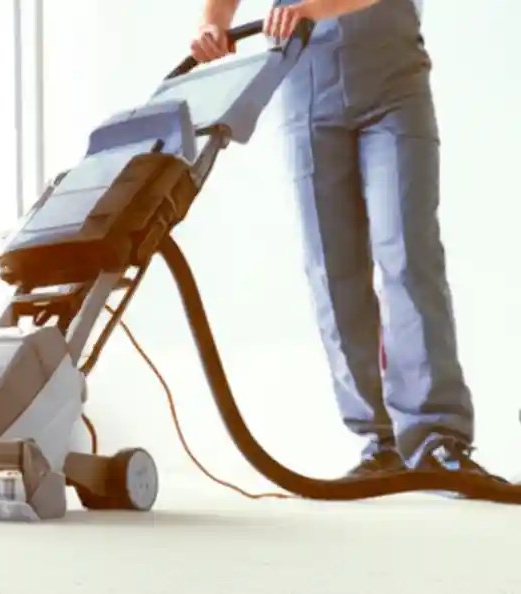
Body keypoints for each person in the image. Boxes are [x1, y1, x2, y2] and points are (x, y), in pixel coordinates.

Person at [189, 0, 499, 480]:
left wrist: (311, 7)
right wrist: (213, 25)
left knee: (408, 254)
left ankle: (438, 439)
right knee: (331, 268)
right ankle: (380, 442)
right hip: (304, 79)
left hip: (392, 79)